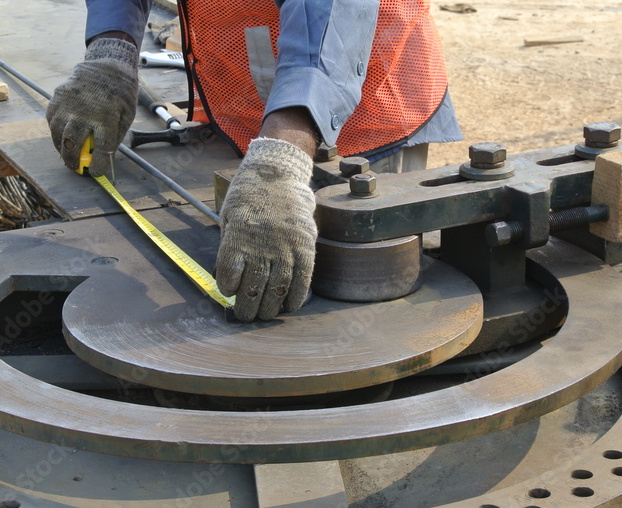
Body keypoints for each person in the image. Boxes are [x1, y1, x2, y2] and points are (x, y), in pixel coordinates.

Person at [47, 0, 462, 322]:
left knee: (370, 302)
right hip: (244, 91)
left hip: (366, 92)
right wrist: (112, 48)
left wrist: (281, 157)